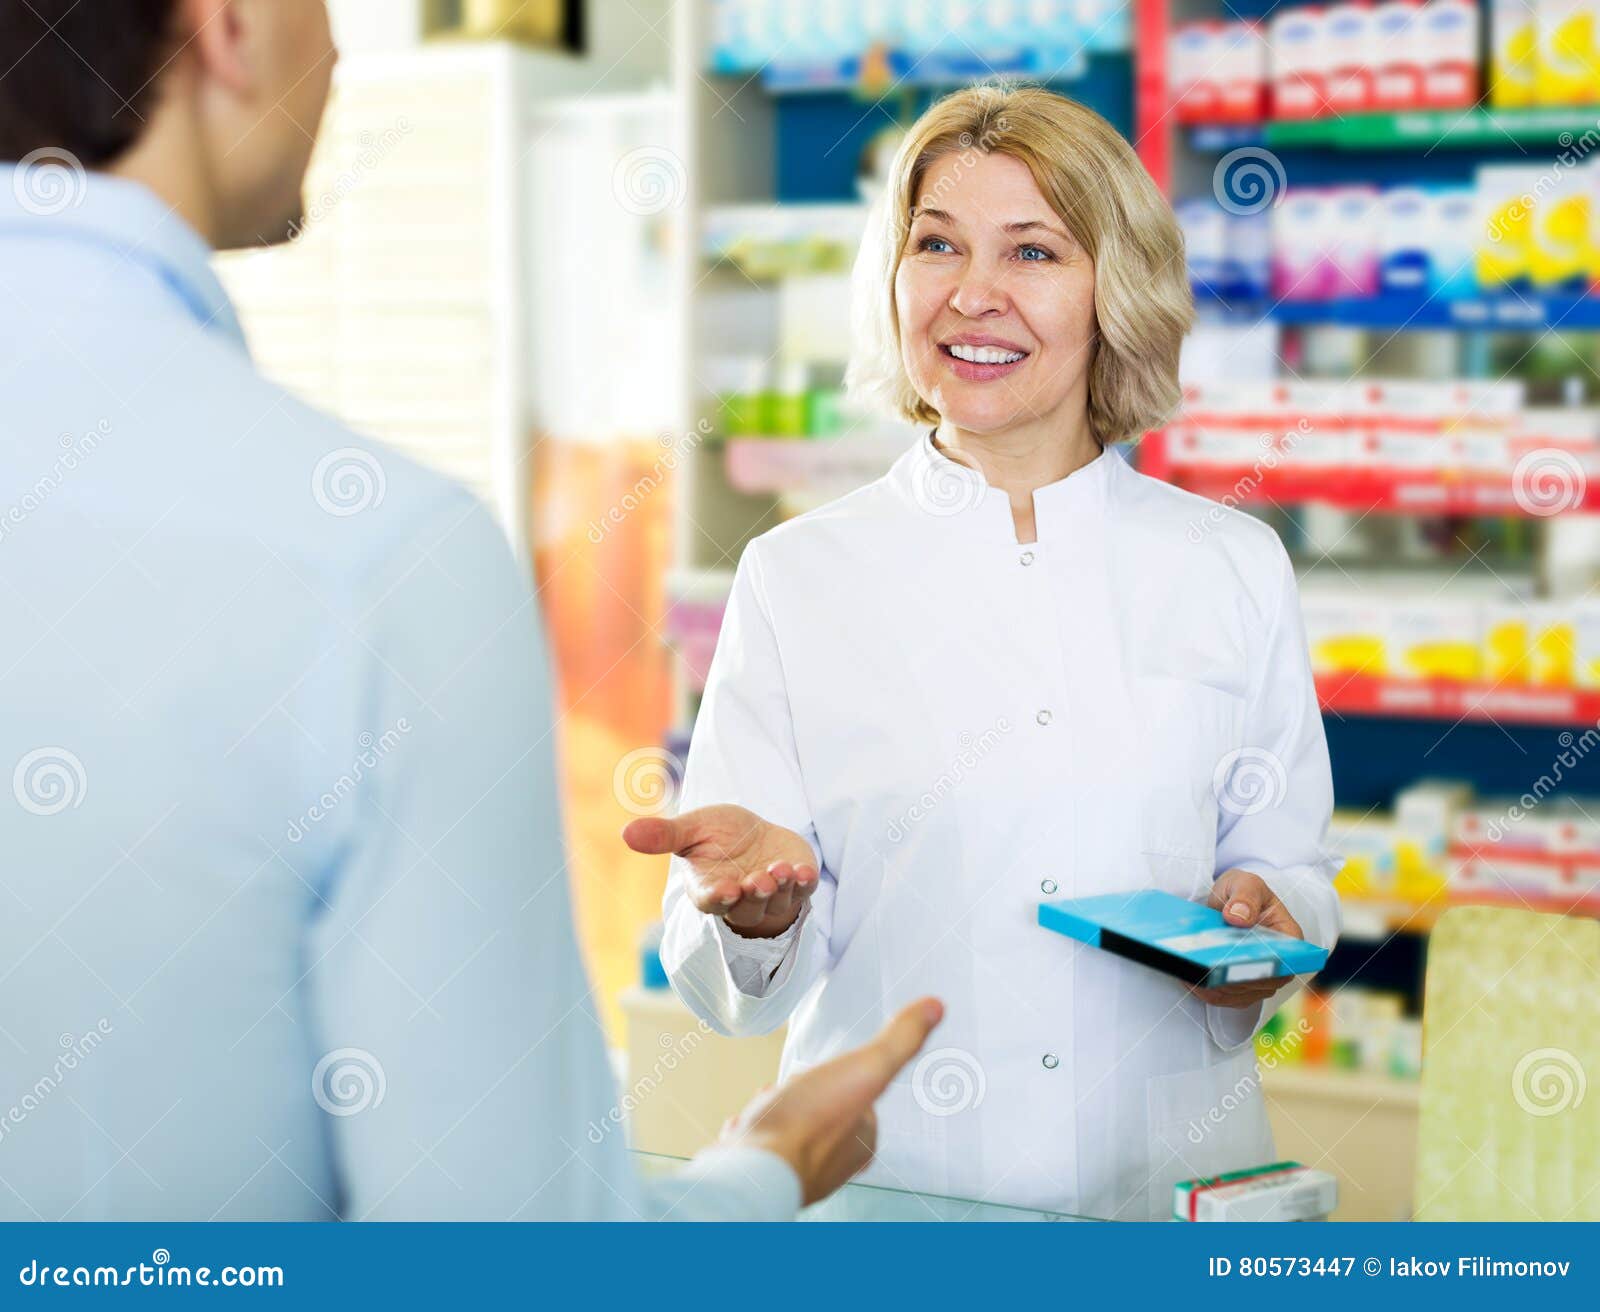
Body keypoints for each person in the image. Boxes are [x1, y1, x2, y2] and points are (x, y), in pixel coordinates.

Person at [0, 0, 940, 1222]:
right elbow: (505, 1249)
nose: (339, 50)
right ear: (229, 28)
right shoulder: (377, 560)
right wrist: (768, 1166)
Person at [628, 85, 1340, 1221]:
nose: (973, 293)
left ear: (1119, 285)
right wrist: (753, 916)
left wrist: (1268, 911)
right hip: (893, 1195)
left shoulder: (1229, 564)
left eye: (1034, 251)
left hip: (1164, 1194)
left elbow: (1295, 869)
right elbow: (727, 985)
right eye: (936, 244)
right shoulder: (799, 577)